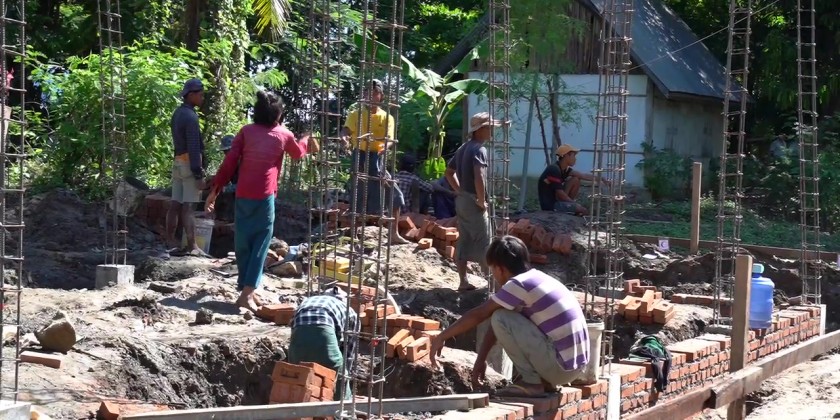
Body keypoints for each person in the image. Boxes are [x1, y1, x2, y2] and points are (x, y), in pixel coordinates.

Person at [429, 235, 590, 397]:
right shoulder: (536, 279)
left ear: (500, 268)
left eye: (492, 269)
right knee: (501, 316)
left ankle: (532, 383)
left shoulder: (518, 284)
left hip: (560, 368)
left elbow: (481, 314)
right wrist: (481, 359)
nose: (494, 274)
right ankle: (542, 381)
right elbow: (498, 324)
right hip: (574, 369)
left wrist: (442, 336)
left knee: (500, 317)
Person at [205, 90, 319, 312]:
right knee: (260, 244)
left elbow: (229, 163)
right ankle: (247, 293)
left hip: (243, 194)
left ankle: (247, 291)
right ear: (278, 115)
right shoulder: (283, 134)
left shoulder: (246, 132)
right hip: (264, 197)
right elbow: (298, 154)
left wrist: (215, 190)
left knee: (243, 241)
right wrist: (306, 139)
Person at [340, 79, 409, 245]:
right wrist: (344, 138)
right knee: (358, 193)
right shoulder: (356, 114)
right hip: (360, 156)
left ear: (380, 96)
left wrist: (386, 146)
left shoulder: (387, 117)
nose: (370, 95)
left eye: (374, 92)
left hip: (377, 159)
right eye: (367, 92)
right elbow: (346, 130)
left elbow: (390, 139)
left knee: (395, 194)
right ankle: (353, 232)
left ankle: (394, 233)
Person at [444, 112, 497, 292]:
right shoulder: (479, 149)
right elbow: (479, 177)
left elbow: (448, 172)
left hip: (462, 201)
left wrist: (459, 191)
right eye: (489, 128)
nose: (492, 131)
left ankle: (463, 281)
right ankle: (493, 284)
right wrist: (481, 201)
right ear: (480, 130)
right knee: (485, 241)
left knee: (464, 239)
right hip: (474, 201)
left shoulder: (463, 148)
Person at [288, 286, 359, 401]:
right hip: (324, 333)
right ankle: (343, 415)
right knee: (340, 381)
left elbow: (294, 331)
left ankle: (298, 414)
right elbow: (349, 353)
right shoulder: (349, 312)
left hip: (298, 339)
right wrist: (345, 373)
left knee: (298, 380)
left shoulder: (307, 302)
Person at [166, 78, 209, 256]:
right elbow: (193, 146)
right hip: (189, 163)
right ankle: (193, 246)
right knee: (189, 206)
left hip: (178, 162)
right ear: (191, 95)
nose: (202, 98)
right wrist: (198, 173)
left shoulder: (178, 113)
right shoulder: (191, 116)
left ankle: (169, 240)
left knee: (175, 203)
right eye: (200, 94)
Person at [537, 144, 608, 215]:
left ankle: (569, 208)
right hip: (551, 205)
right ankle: (570, 209)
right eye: (573, 156)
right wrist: (574, 204)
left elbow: (583, 175)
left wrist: (601, 179)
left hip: (557, 201)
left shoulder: (564, 169)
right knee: (582, 210)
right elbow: (560, 194)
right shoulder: (554, 170)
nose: (575, 159)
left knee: (575, 180)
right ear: (566, 156)